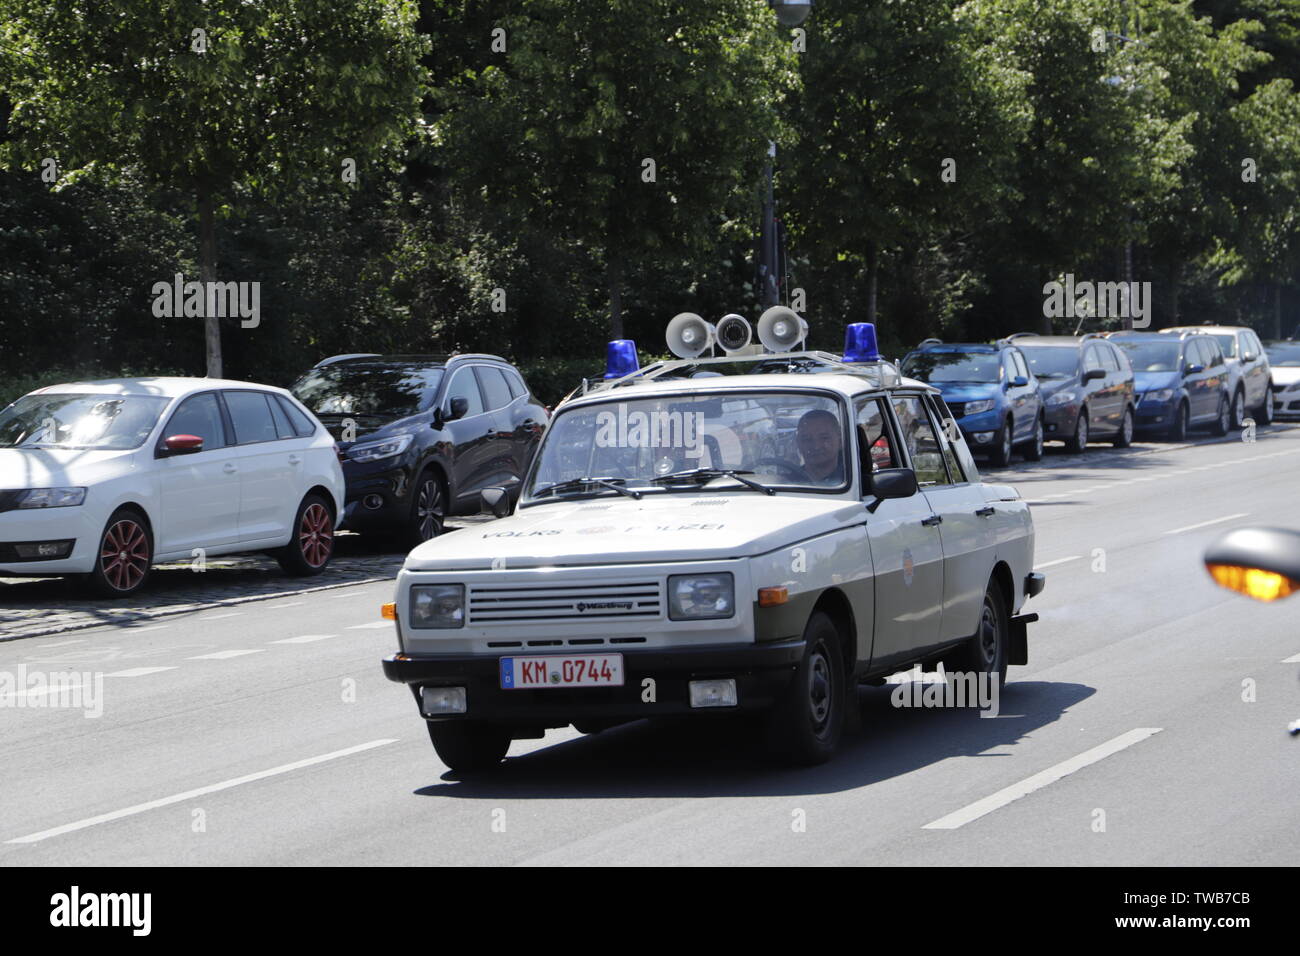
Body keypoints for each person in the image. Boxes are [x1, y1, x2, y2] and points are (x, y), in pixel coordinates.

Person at [795, 408, 844, 484]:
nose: (816, 446)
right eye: (807, 439)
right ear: (798, 443)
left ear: (840, 441)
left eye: (824, 438)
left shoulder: (855, 481)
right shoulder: (786, 482)